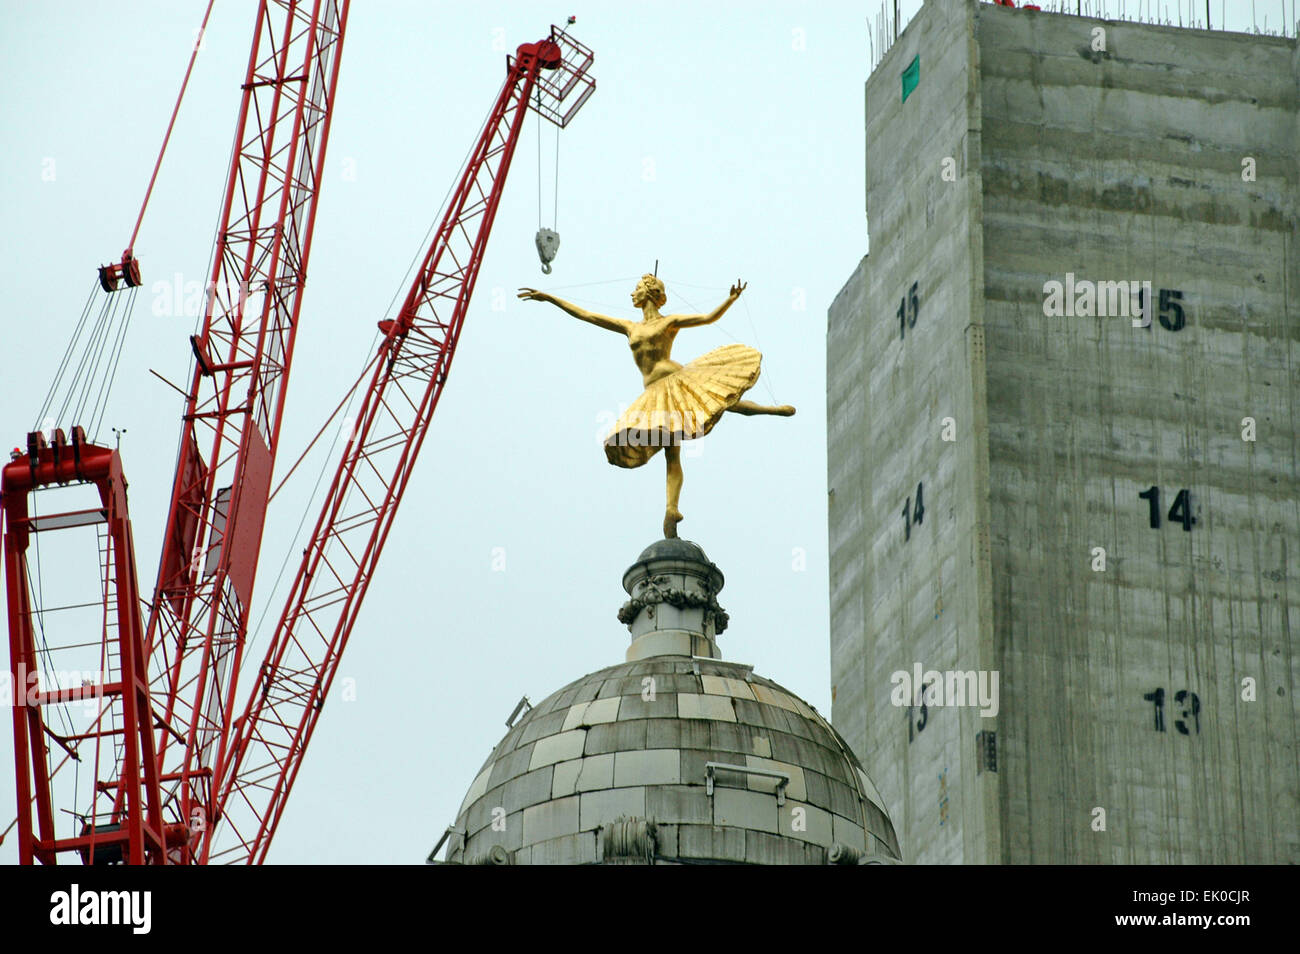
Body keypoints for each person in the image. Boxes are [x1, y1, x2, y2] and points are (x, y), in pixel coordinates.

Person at [518, 274, 794, 538]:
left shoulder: (669, 322)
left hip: (674, 378)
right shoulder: (630, 327)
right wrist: (551, 298)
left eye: (637, 288)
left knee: (721, 399)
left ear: (649, 292)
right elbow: (588, 316)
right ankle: (671, 509)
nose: (632, 293)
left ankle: (772, 410)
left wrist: (730, 299)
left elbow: (707, 318)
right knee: (672, 454)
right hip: (653, 392)